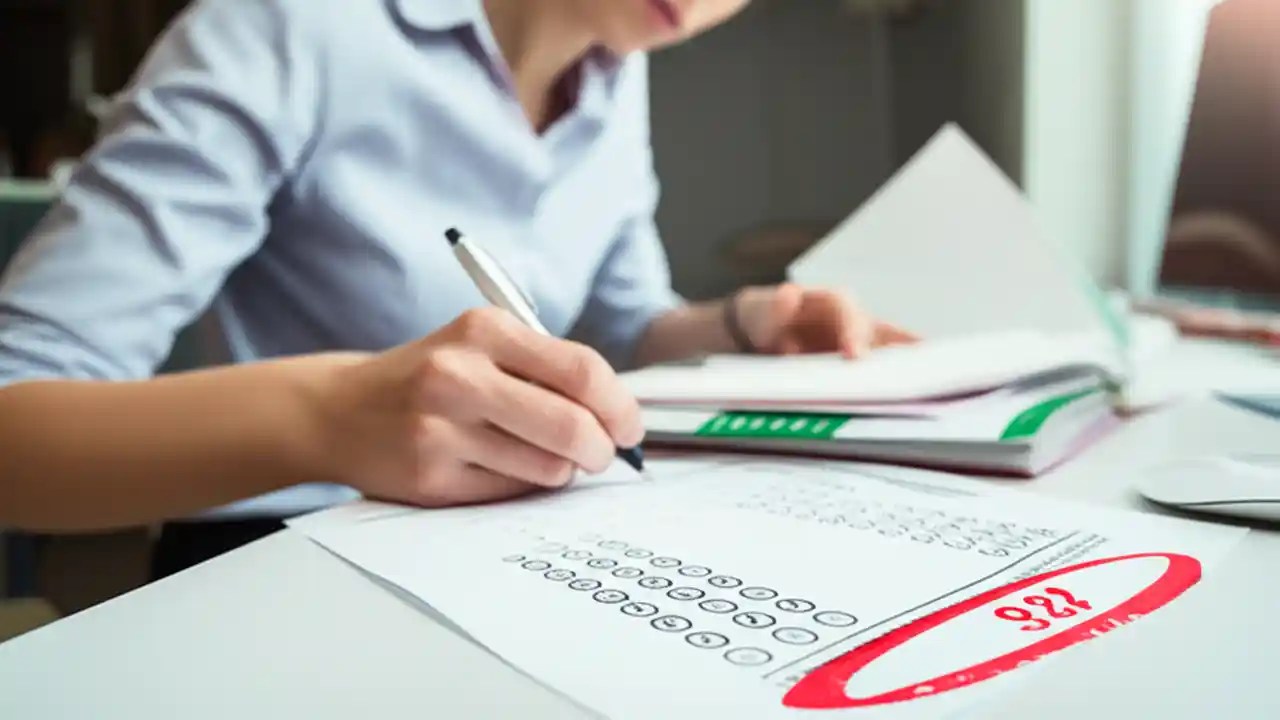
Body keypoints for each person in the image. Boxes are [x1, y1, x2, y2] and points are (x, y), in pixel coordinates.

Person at [0, 0, 913, 576]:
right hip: (281, 555)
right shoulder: (291, 25)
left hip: (507, 542)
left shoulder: (614, 74)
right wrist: (326, 418)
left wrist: (748, 320)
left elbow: (623, 323)